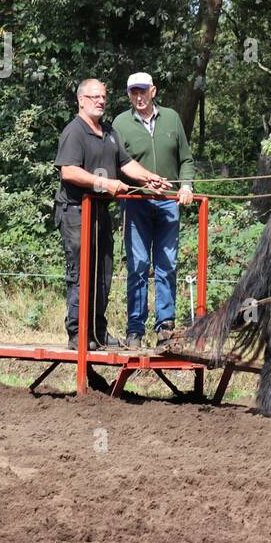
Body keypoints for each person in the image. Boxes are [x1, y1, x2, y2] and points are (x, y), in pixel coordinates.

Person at [55, 78, 171, 350]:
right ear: (81, 100)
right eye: (94, 96)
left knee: (103, 273)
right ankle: (78, 334)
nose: (100, 101)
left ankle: (97, 331)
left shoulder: (108, 131)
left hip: (100, 212)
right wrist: (105, 184)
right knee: (81, 273)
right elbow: (68, 171)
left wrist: (149, 179)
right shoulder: (74, 132)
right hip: (75, 213)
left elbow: (126, 163)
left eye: (104, 96)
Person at [112, 71, 195, 347]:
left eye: (142, 91)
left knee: (167, 264)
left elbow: (186, 159)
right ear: (128, 95)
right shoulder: (120, 123)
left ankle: (165, 327)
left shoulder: (171, 118)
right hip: (136, 204)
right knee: (137, 266)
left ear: (153, 91)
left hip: (169, 203)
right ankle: (135, 329)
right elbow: (116, 164)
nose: (138, 97)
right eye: (133, 92)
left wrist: (185, 187)